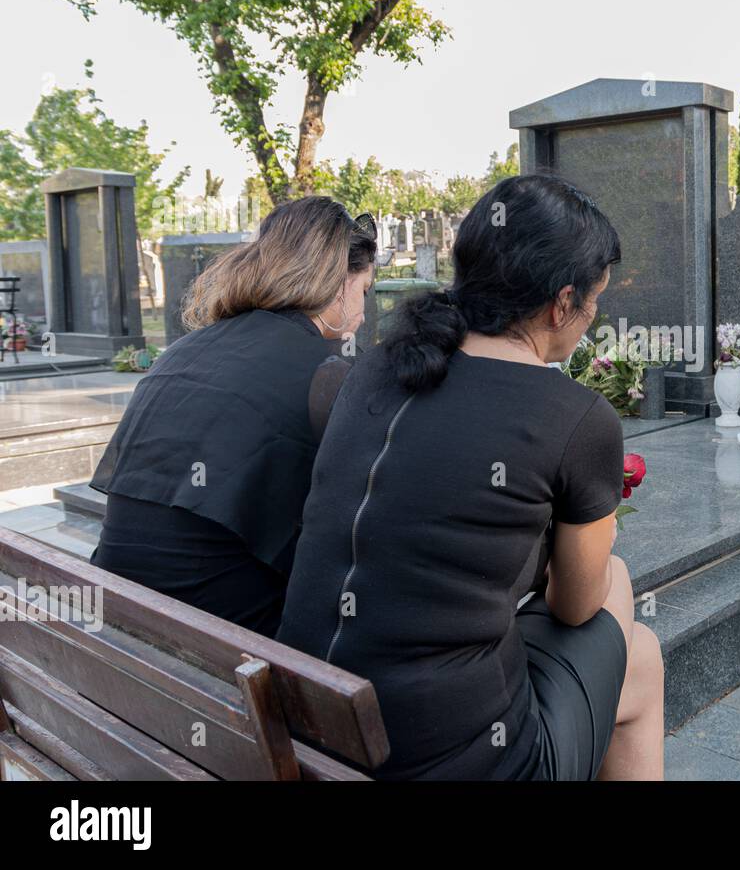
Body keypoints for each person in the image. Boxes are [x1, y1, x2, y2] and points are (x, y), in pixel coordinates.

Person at [277, 174, 665, 780]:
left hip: (310, 728)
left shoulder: (372, 369)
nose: (591, 317)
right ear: (563, 303)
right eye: (595, 300)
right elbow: (574, 606)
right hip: (454, 758)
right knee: (624, 612)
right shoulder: (575, 416)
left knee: (633, 651)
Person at [89, 197, 377, 636]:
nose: (361, 311)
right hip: (224, 650)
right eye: (364, 290)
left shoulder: (186, 349)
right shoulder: (326, 371)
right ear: (338, 282)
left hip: (122, 628)